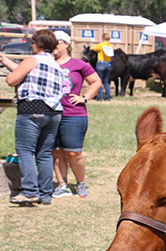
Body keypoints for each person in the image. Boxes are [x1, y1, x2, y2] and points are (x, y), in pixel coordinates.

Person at [0, 30, 64, 205]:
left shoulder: (32, 60)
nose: (31, 45)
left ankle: (29, 190)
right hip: (54, 113)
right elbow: (27, 71)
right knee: (44, 154)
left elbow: (12, 79)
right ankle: (45, 194)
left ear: (39, 44)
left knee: (25, 151)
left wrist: (10, 74)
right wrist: (5, 60)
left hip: (31, 109)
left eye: (33, 43)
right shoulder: (56, 65)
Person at [51, 30, 102, 199]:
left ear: (66, 44)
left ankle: (80, 183)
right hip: (51, 112)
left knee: (73, 152)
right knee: (56, 152)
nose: (53, 45)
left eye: (57, 42)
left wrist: (84, 97)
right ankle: (62, 184)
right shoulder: (47, 63)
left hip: (73, 114)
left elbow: (96, 81)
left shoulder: (78, 64)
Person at [91, 32, 114, 101]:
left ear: (103, 38)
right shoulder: (110, 46)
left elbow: (92, 49)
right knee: (106, 81)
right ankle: (108, 97)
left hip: (101, 64)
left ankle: (100, 97)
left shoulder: (101, 45)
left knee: (99, 81)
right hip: (108, 64)